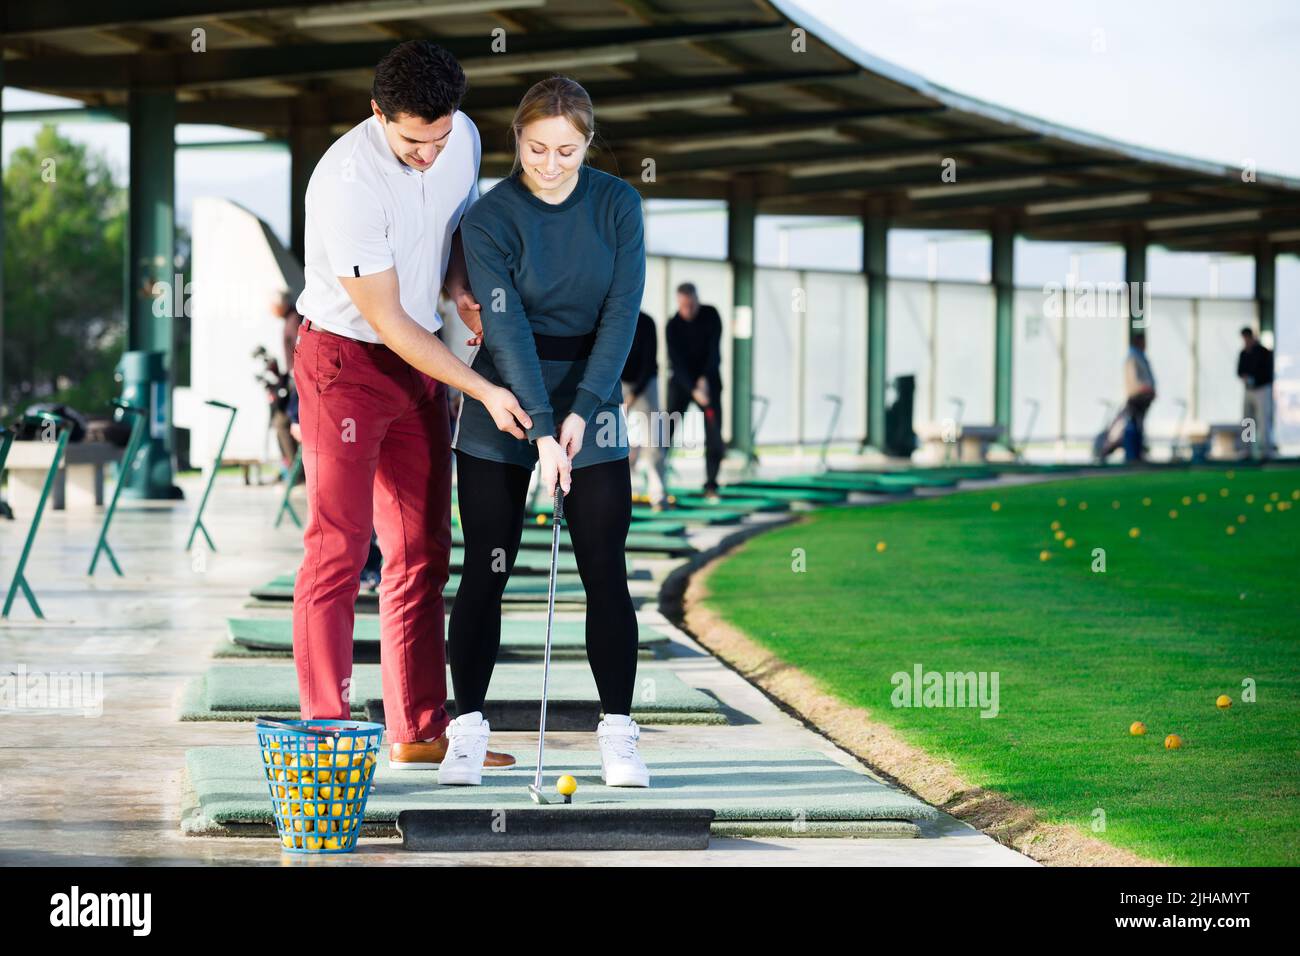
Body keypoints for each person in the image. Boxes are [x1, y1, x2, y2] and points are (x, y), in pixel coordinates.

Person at [292, 40, 530, 772]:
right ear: (377, 114)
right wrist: (485, 387)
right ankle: (326, 733)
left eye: (439, 137)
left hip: (418, 363)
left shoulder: (459, 140)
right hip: (346, 362)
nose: (429, 154)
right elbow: (388, 320)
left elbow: (453, 228)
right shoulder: (346, 182)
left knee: (424, 551)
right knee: (338, 547)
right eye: (411, 141)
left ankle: (419, 730)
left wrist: (461, 291)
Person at [444, 76, 649, 788]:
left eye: (567, 149)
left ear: (589, 143)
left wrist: (583, 411)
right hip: (504, 395)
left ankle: (619, 733)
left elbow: (623, 314)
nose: (552, 163)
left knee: (604, 567)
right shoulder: (490, 216)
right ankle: (467, 729)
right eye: (537, 148)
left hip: (590, 397)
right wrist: (539, 430)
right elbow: (503, 324)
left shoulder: (619, 204)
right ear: (517, 141)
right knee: (486, 570)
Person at [665, 283, 725, 499]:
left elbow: (714, 352)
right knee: (665, 430)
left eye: (691, 305)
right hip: (682, 384)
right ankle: (659, 482)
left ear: (697, 300)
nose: (687, 310)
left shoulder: (711, 315)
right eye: (683, 306)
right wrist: (693, 388)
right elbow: (676, 364)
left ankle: (711, 484)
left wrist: (704, 381)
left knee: (714, 434)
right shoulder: (672, 326)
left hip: (709, 382)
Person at [621, 310, 668, 509]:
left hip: (646, 383)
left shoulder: (647, 322)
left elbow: (648, 364)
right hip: (618, 381)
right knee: (608, 438)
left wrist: (632, 396)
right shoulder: (614, 318)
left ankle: (658, 494)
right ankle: (617, 492)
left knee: (654, 440)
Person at [1099, 332, 1156, 462]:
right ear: (1138, 342)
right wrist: (1144, 388)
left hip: (1143, 398)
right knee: (1132, 426)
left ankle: (1136, 454)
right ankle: (1131, 456)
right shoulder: (1133, 357)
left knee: (1138, 425)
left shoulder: (1140, 356)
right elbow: (1134, 379)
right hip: (1137, 397)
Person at [1237, 326, 1275, 460]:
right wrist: (1246, 377)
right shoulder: (1243, 353)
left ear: (1252, 337)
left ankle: (1266, 450)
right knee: (1248, 421)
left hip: (1262, 389)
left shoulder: (1264, 352)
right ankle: (1247, 450)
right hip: (1249, 390)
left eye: (1247, 338)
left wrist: (1255, 377)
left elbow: (1267, 373)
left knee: (1263, 420)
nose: (1246, 341)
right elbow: (1239, 371)